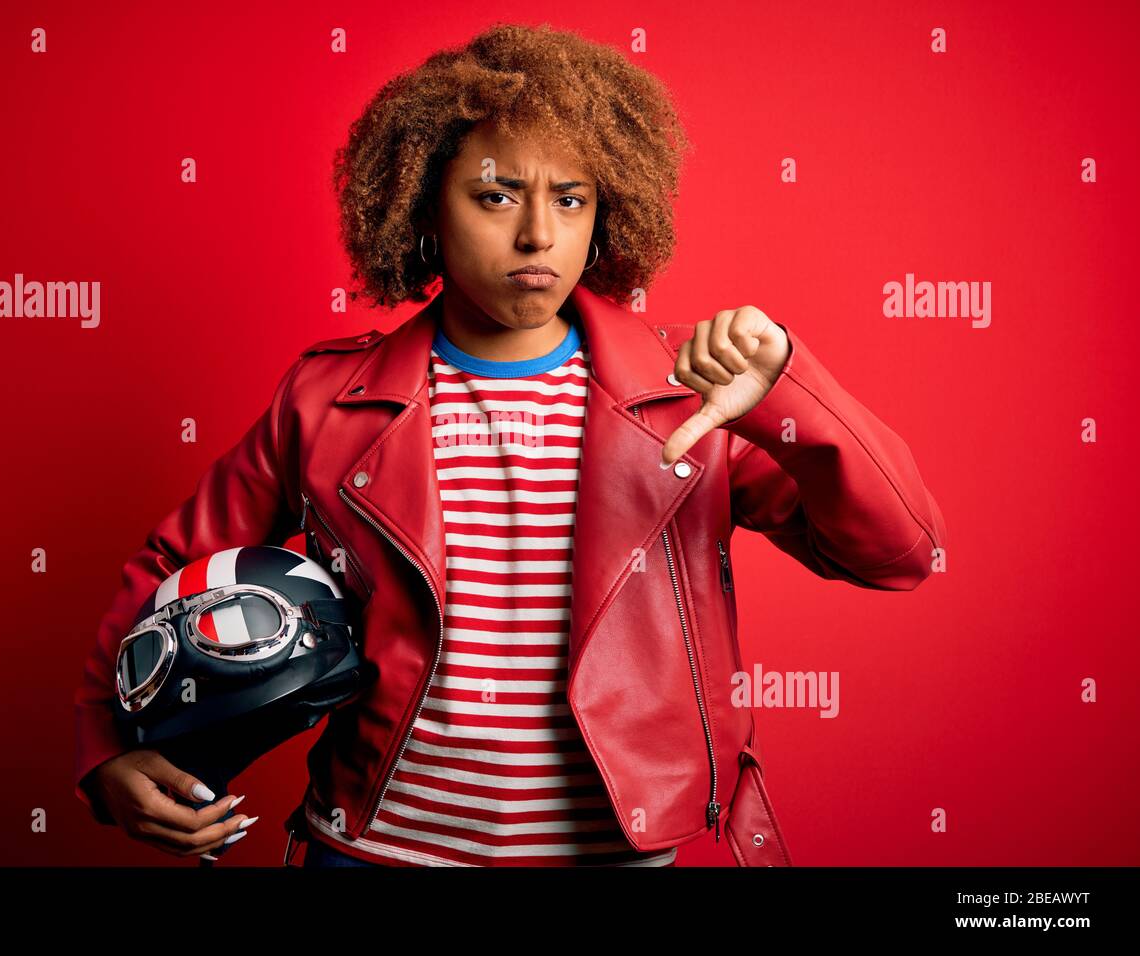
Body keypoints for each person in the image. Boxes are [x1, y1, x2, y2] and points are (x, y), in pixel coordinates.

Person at [75, 23, 947, 867]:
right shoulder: (328, 401)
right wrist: (108, 746)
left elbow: (897, 555)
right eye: (496, 196)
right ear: (425, 208)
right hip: (377, 853)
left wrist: (789, 393)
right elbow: (174, 559)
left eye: (570, 199)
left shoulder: (693, 396)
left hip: (615, 856)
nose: (539, 236)